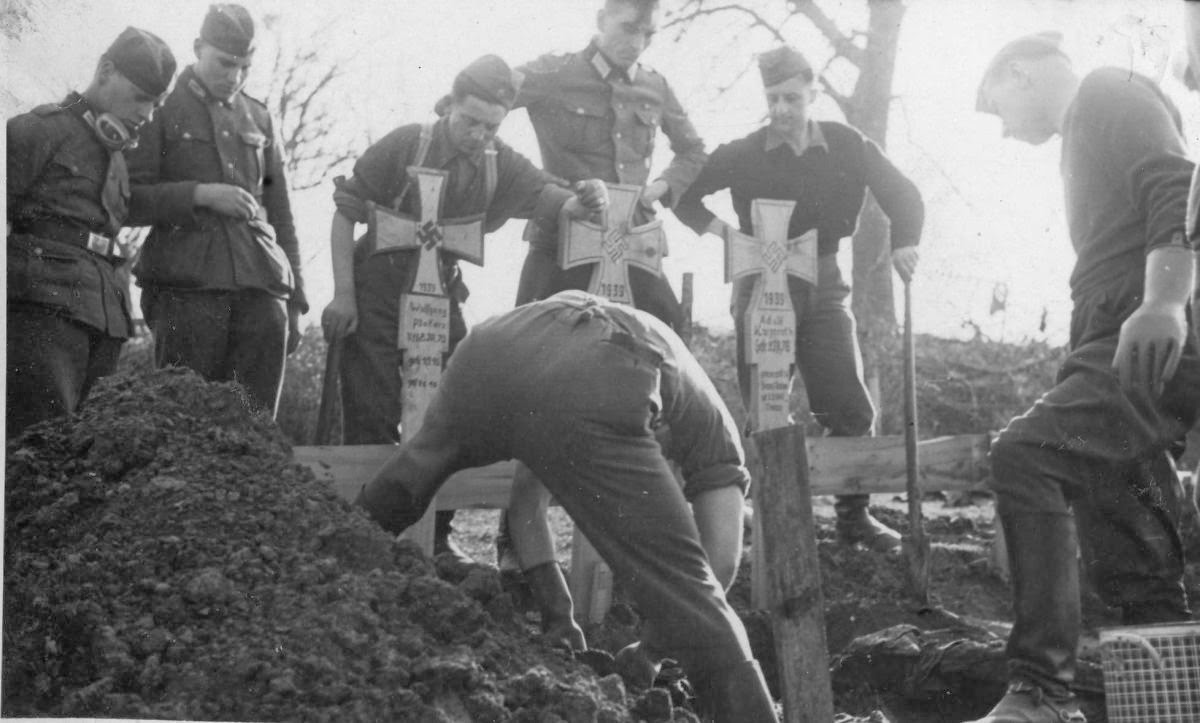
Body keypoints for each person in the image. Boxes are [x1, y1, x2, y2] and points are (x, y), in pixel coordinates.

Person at [355, 290, 779, 723]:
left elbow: (525, 505)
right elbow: (716, 566)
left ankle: (331, 556)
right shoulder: (713, 430)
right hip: (605, 368)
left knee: (413, 473)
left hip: (490, 351)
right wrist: (651, 653)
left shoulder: (659, 366)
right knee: (694, 597)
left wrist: (559, 614)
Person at [972, 31, 1199, 723]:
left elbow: (1177, 183)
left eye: (997, 109)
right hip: (1115, 336)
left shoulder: (1107, 89)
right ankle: (1167, 705)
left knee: (1026, 450)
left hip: (1148, 331)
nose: (1006, 133)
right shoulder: (1084, 126)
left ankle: (1040, 688)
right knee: (1129, 544)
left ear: (1018, 72)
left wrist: (1164, 300)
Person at [320, 54, 608, 565]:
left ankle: (435, 536)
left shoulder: (501, 161)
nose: (477, 134)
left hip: (440, 293)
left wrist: (588, 196)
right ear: (449, 104)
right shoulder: (408, 142)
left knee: (453, 406)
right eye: (469, 120)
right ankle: (365, 536)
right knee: (372, 409)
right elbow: (345, 214)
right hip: (379, 290)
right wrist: (344, 295)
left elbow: (553, 198)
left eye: (490, 125)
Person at [495, 0, 708, 616]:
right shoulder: (556, 72)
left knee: (662, 361)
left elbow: (692, 149)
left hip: (631, 253)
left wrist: (660, 190)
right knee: (531, 371)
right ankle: (518, 546)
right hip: (563, 245)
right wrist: (548, 191)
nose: (635, 41)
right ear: (601, 20)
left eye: (646, 31)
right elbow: (483, 100)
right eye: (626, 27)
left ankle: (637, 541)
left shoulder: (656, 86)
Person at [674, 46, 924, 553]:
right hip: (760, 283)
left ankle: (854, 517)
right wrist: (727, 236)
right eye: (773, 98)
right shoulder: (744, 152)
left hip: (825, 284)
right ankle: (764, 520)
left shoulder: (847, 145)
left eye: (792, 96)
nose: (783, 108)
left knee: (850, 407)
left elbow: (903, 193)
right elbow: (684, 196)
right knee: (766, 407)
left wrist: (906, 241)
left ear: (813, 92)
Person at [127, 4, 307, 417]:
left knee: (254, 427)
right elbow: (128, 198)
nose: (235, 77)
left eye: (245, 66)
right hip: (186, 288)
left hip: (261, 290)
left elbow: (282, 217)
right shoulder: (161, 106)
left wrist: (296, 301)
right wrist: (200, 194)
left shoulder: (260, 116)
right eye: (225, 63)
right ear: (197, 48)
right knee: (184, 422)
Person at [7, 27, 176, 437]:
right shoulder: (38, 130)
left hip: (103, 322)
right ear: (105, 70)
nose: (148, 114)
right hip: (42, 312)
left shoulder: (117, 159)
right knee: (33, 445)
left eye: (155, 103)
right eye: (140, 97)